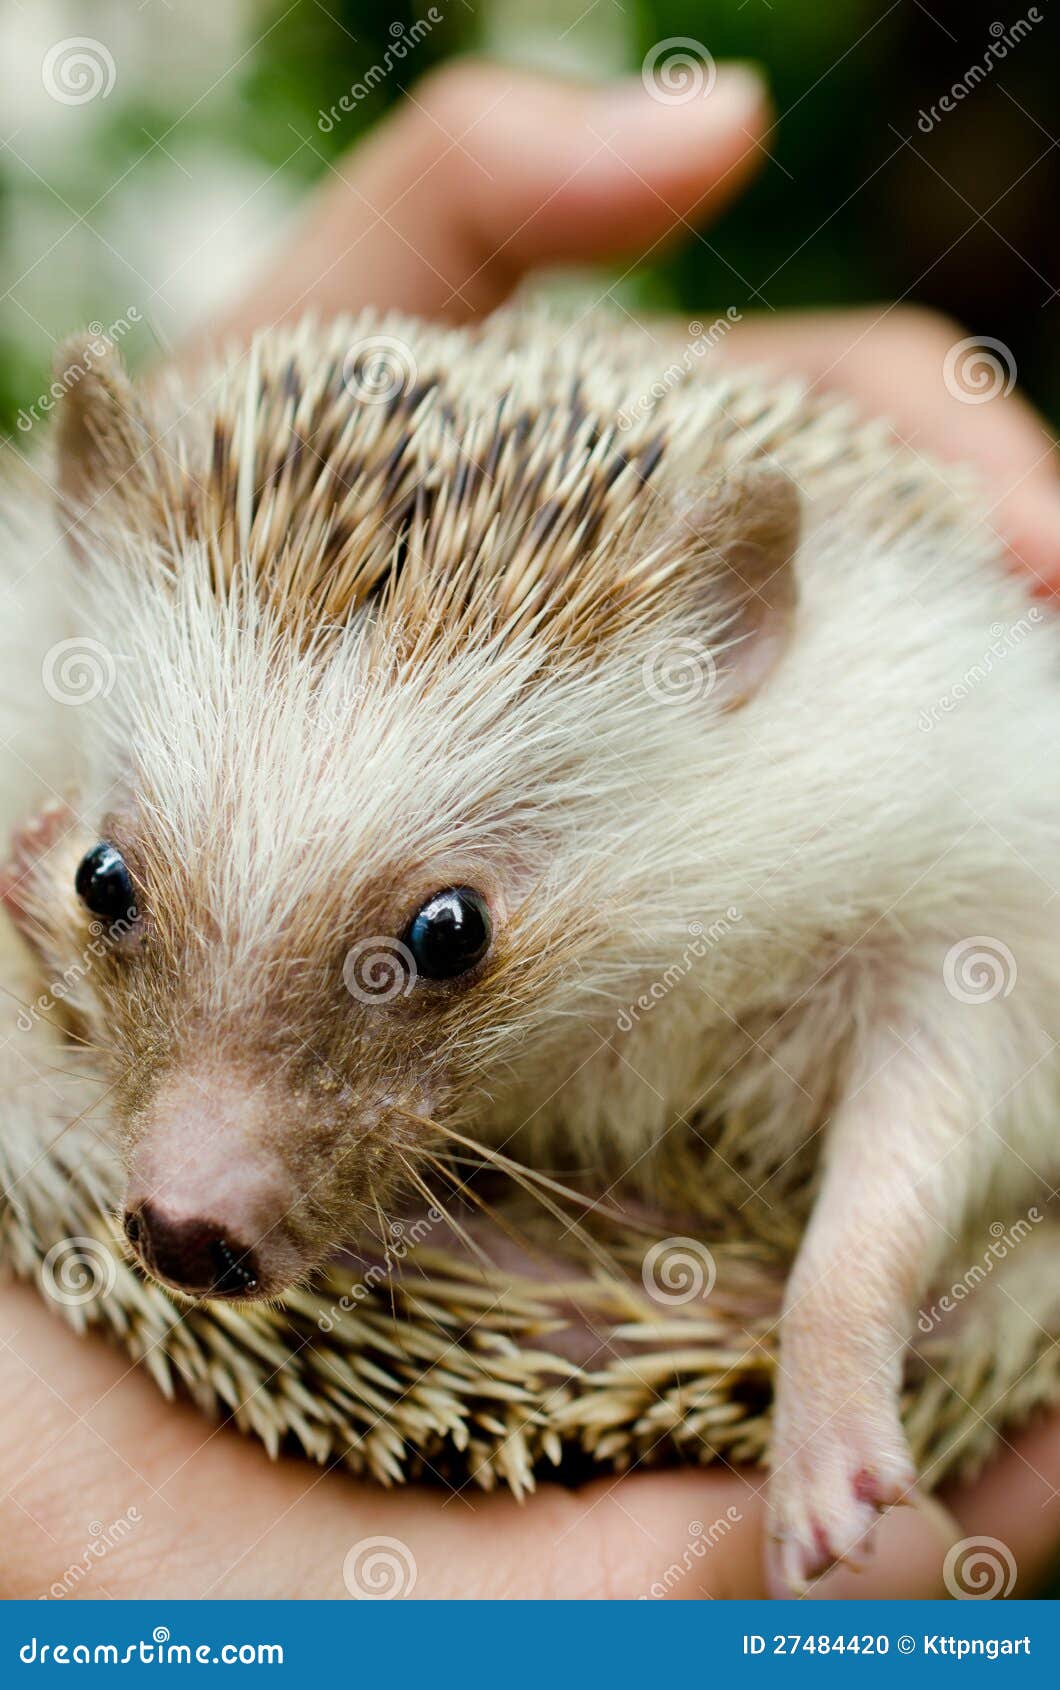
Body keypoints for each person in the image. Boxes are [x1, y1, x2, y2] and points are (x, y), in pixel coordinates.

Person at [1, 60, 1057, 1602]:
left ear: (727, 639)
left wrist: (842, 1320)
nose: (189, 1180)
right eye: (120, 886)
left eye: (440, 938)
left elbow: (991, 995)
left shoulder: (890, 736)